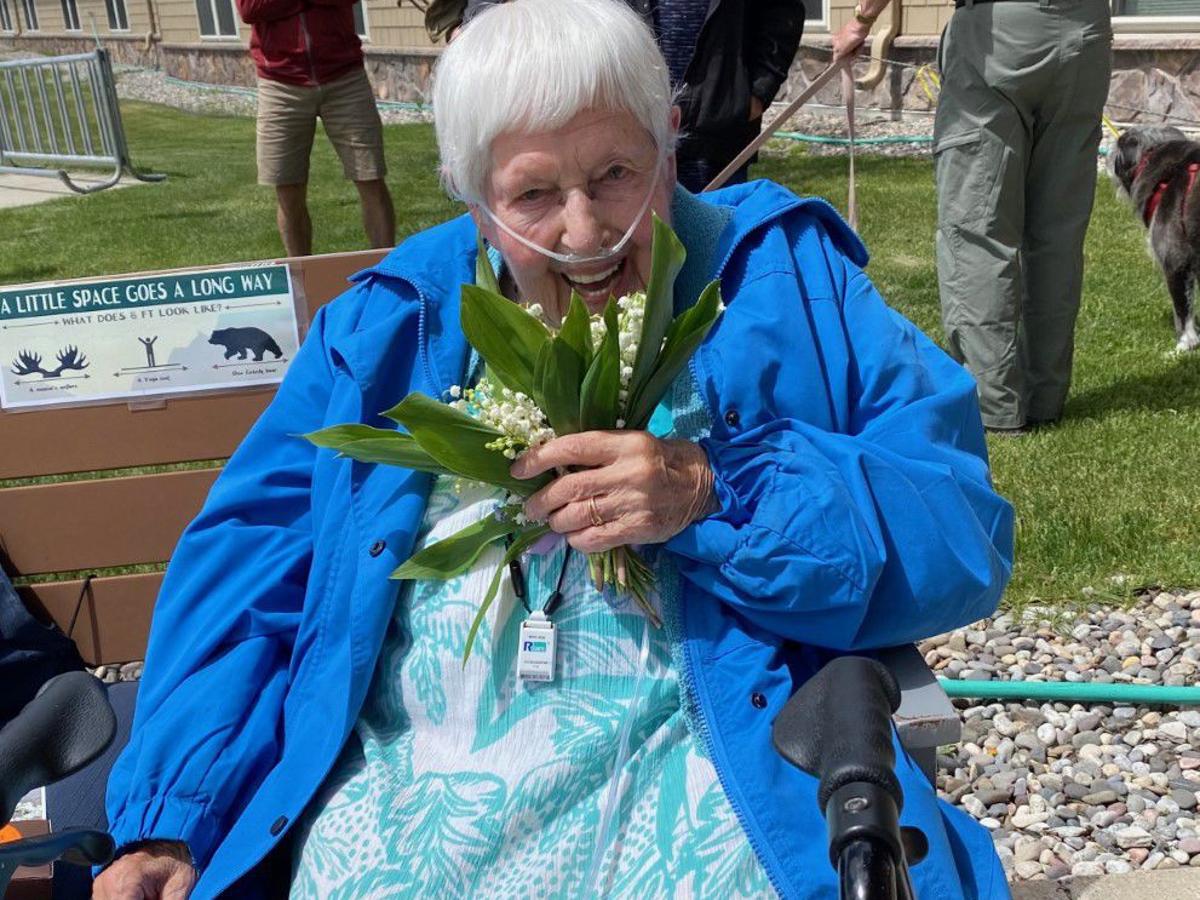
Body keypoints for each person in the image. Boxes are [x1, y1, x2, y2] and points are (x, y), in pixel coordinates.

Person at [92, 1, 1013, 897]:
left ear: (671, 137)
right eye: (533, 193)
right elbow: (251, 563)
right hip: (411, 783)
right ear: (473, 200)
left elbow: (960, 532)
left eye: (617, 172)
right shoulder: (392, 325)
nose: (586, 231)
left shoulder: (785, 284)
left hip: (708, 768)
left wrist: (715, 488)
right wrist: (176, 815)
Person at [835, 0, 1112, 432]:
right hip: (1086, 32)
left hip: (997, 33)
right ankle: (1045, 399)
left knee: (978, 227)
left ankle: (993, 406)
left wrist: (861, 21)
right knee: (1057, 234)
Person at [462, 0, 806, 193]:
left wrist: (755, 94)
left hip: (716, 137)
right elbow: (487, 10)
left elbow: (781, 12)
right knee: (615, 277)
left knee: (714, 274)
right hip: (606, 138)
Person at [236, 0, 396, 257]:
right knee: (287, 187)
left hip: (344, 76)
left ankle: (387, 276)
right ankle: (303, 283)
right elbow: (251, 9)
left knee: (370, 177)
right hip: (279, 83)